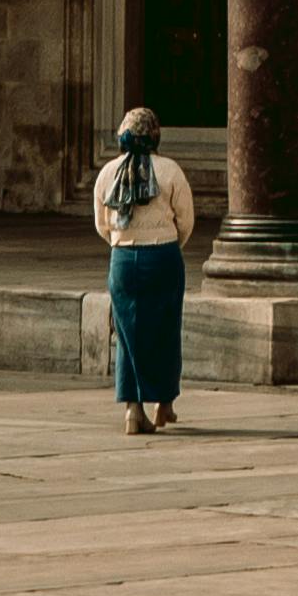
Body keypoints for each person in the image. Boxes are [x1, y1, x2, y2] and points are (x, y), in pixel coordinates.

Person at [93, 95, 199, 431]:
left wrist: (122, 246)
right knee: (166, 331)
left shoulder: (108, 173)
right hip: (163, 256)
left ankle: (132, 410)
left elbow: (102, 223)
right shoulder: (169, 170)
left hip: (123, 260)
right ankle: (164, 404)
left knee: (127, 335)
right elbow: (187, 220)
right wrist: (170, 245)